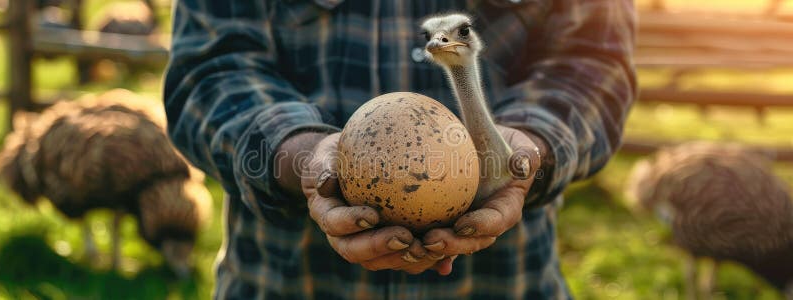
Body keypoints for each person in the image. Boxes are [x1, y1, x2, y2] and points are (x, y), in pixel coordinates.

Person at [164, 0, 636, 299]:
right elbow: (212, 68)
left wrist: (526, 147)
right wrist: (302, 153)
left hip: (504, 281)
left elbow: (591, 62)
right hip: (286, 279)